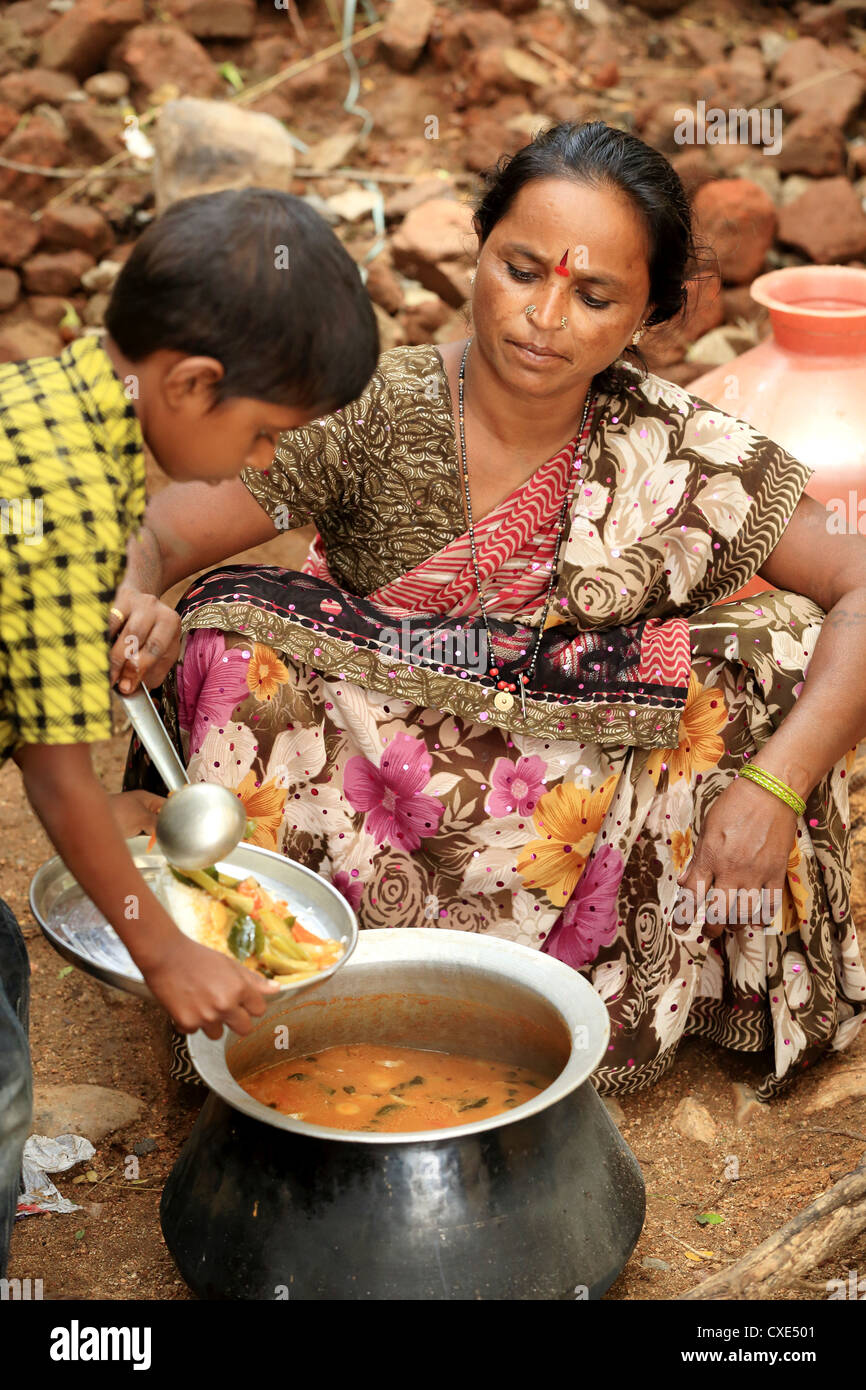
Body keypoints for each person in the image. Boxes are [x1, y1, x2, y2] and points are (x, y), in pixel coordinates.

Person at [117, 122, 866, 1101]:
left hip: (569, 809)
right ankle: (265, 970)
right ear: (476, 250)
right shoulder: (374, 411)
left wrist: (775, 785)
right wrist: (134, 590)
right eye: (519, 269)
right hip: (360, 784)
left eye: (592, 296)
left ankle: (578, 988)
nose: (542, 317)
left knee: (769, 655)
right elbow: (165, 536)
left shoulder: (678, 449)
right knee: (226, 625)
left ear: (646, 316)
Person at [0, 186, 379, 1275]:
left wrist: (96, 609)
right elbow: (60, 783)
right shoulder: (65, 498)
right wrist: (163, 952)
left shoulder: (64, 398)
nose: (261, 464)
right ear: (191, 382)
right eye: (262, 434)